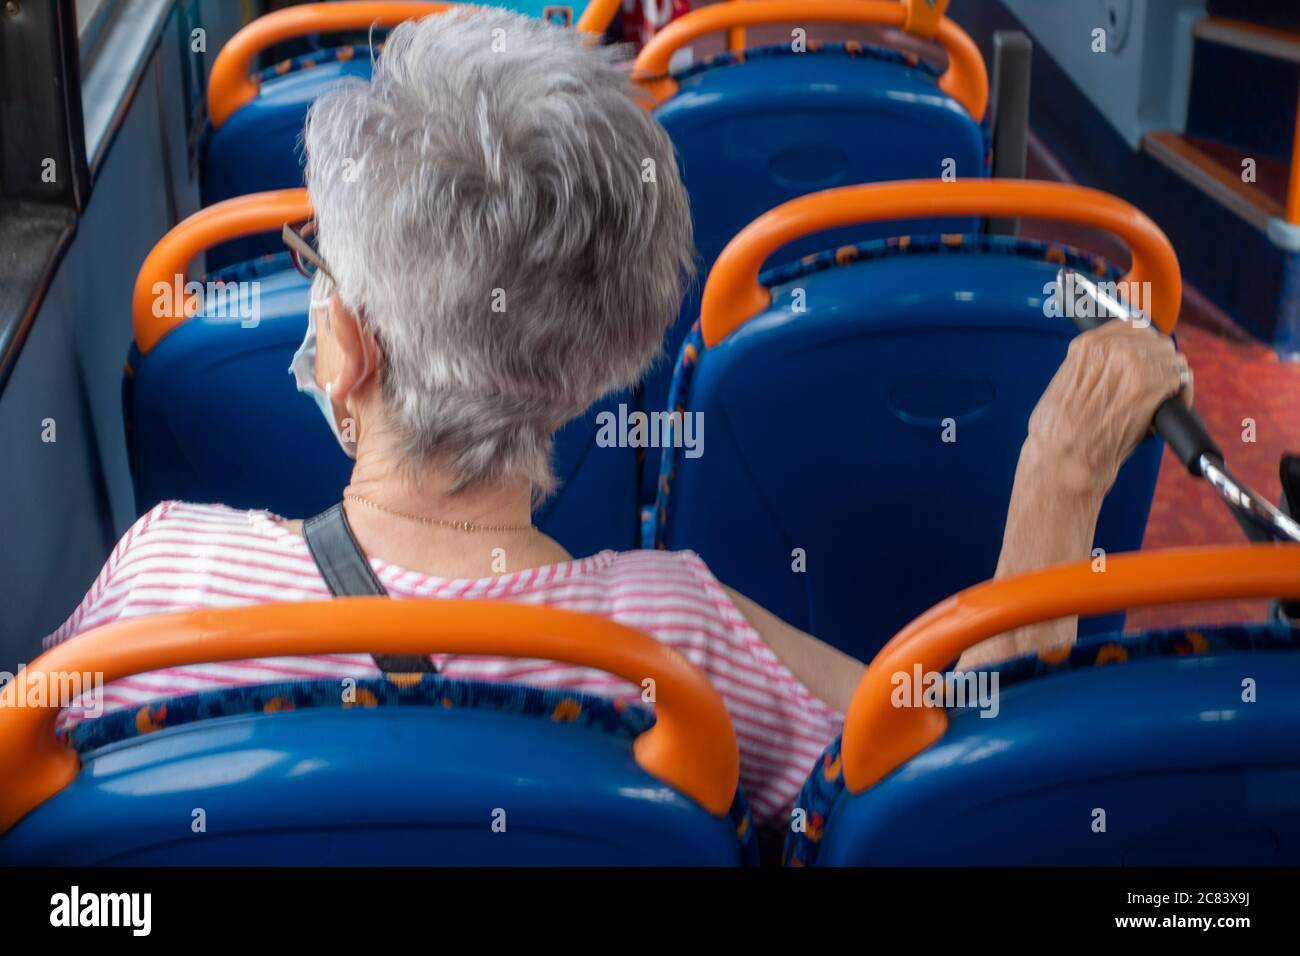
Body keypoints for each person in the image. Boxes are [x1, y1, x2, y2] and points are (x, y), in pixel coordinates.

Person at [48, 8, 1191, 832]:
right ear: (599, 367)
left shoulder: (161, 578)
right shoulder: (672, 641)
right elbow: (955, 776)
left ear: (346, 350)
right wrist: (1056, 478)